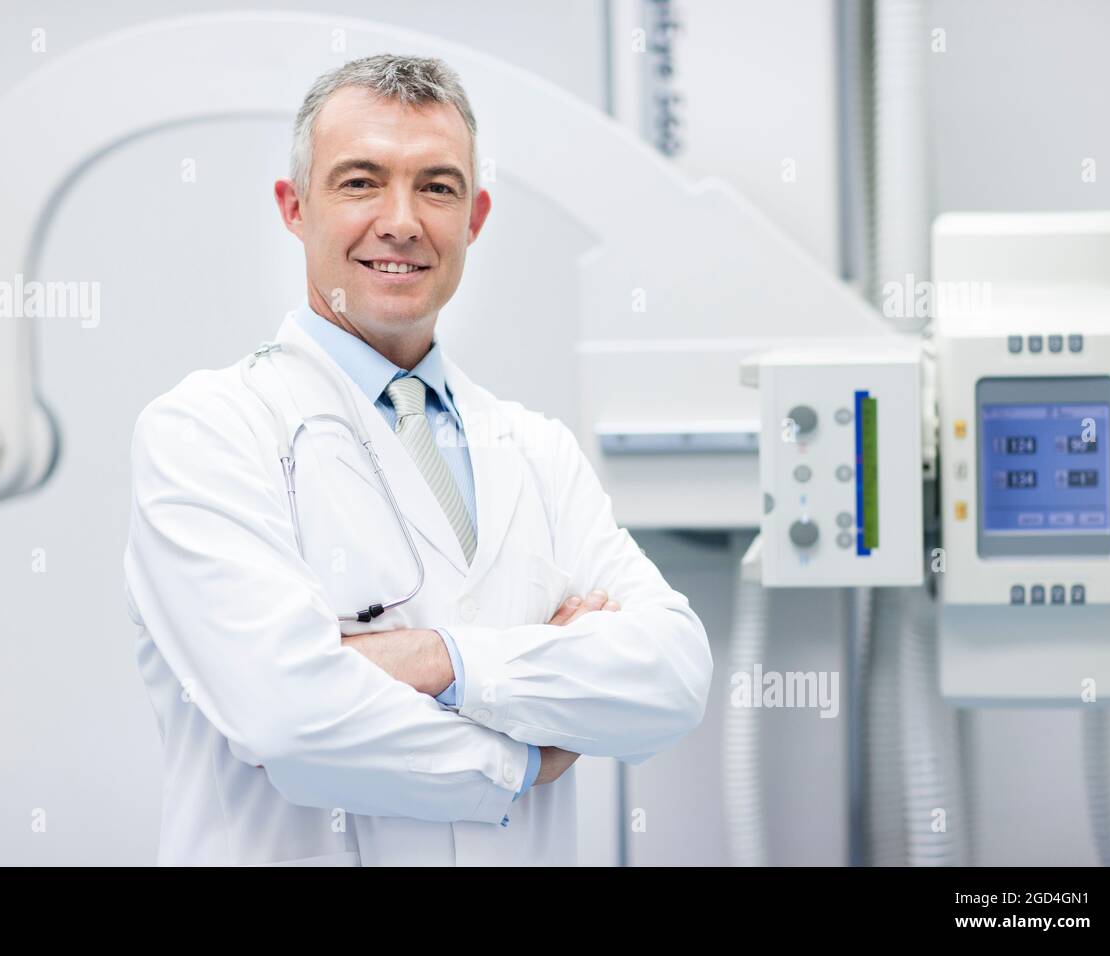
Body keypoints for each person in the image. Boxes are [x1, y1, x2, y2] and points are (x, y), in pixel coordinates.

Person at [123, 54, 712, 865]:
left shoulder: (537, 450)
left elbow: (672, 677)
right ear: (294, 208)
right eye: (361, 182)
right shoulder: (207, 433)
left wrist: (439, 658)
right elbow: (286, 718)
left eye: (436, 187)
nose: (401, 221)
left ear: (475, 217)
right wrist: (530, 753)